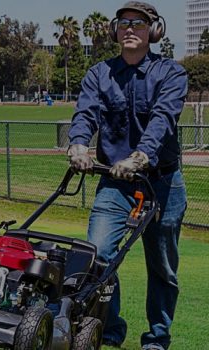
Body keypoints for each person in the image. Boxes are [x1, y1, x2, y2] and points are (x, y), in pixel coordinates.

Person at [66, 2, 187, 349]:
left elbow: (163, 118)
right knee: (99, 255)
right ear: (115, 31)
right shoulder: (98, 74)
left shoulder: (171, 74)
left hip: (162, 183)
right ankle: (110, 328)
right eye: (123, 23)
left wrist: (140, 155)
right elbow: (85, 114)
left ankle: (156, 339)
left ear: (154, 30)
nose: (130, 28)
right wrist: (78, 144)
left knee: (162, 268)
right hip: (115, 184)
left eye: (138, 22)